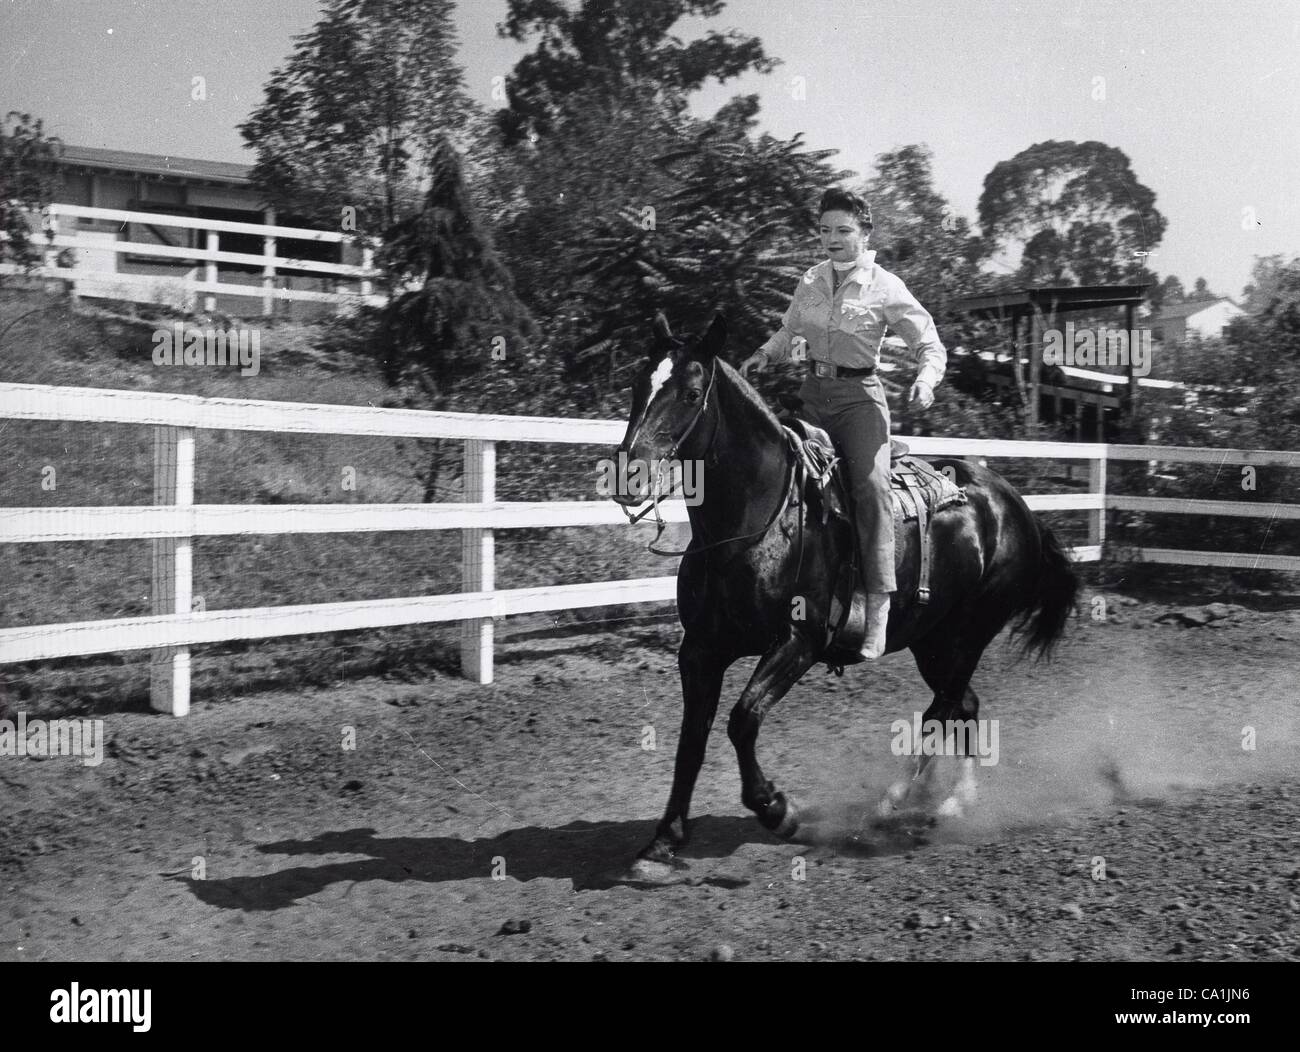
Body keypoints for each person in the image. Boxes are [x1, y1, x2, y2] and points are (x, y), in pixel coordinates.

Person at [741, 188, 947, 659]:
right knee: (774, 474)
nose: (831, 239)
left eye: (843, 231)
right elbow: (789, 330)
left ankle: (878, 612)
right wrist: (763, 355)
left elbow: (929, 343)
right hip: (813, 396)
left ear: (865, 234)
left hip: (860, 402)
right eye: (824, 230)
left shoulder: (885, 286)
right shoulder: (811, 280)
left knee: (869, 490)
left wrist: (927, 379)